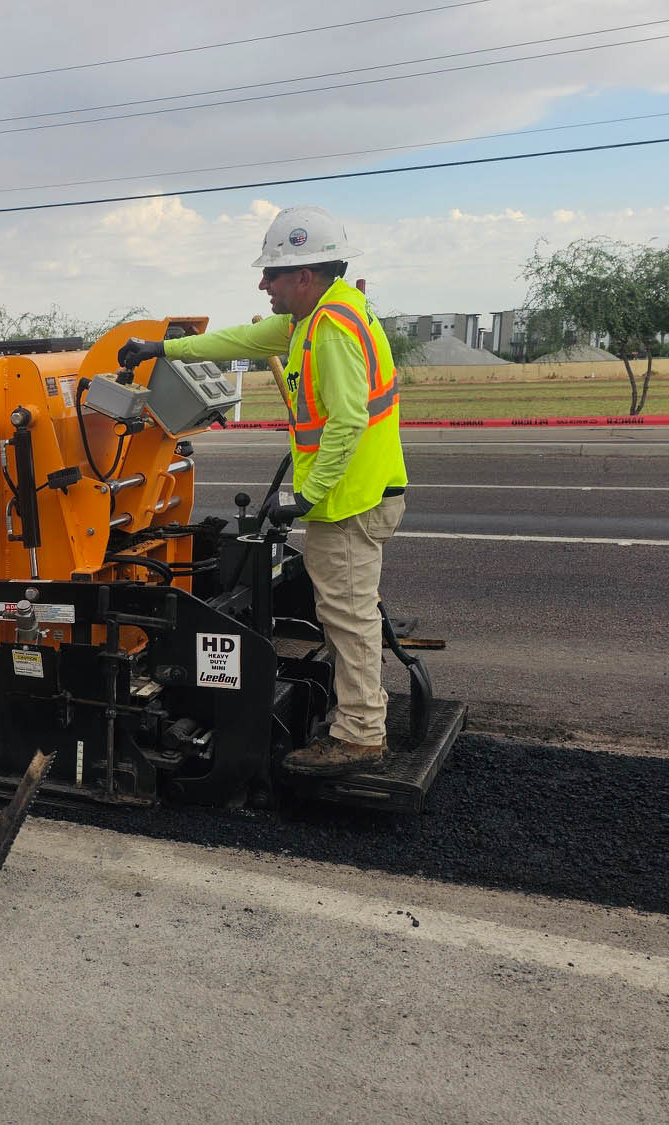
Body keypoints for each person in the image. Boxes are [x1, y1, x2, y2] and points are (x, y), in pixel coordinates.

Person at [116, 205, 407, 776]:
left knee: (347, 616)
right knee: (348, 611)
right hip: (359, 493)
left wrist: (306, 495)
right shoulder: (321, 316)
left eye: (271, 274)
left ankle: (360, 737)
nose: (262, 283)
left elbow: (347, 421)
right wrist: (164, 350)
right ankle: (360, 720)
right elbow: (244, 338)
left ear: (303, 275)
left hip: (350, 500)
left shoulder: (330, 330)